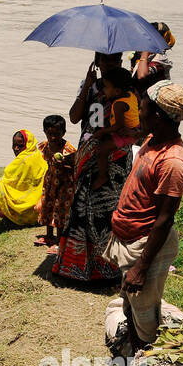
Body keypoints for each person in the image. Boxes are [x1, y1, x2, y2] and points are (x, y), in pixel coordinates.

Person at [102, 81, 183, 353]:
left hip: (147, 245)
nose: (138, 114)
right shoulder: (152, 141)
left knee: (146, 321)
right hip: (130, 238)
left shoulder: (173, 162)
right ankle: (134, 363)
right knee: (131, 307)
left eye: (141, 109)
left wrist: (142, 267)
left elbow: (165, 219)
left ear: (157, 115)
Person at [55, 53, 130, 283]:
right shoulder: (90, 87)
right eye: (105, 60)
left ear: (121, 61)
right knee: (81, 207)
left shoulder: (128, 88)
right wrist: (87, 85)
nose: (110, 64)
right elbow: (74, 117)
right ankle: (75, 265)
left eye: (115, 59)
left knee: (109, 209)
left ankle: (110, 266)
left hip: (116, 156)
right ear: (97, 61)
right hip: (88, 153)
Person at [91, 67, 141, 189]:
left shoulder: (119, 104)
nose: (103, 89)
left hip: (125, 134)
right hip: (134, 129)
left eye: (106, 87)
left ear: (117, 91)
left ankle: (102, 176)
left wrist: (102, 132)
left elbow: (118, 126)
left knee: (101, 151)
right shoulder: (131, 94)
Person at [0, 129, 47, 225]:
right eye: (14, 145)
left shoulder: (22, 160)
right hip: (40, 210)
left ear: (27, 144)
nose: (16, 148)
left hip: (28, 210)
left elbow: (7, 181)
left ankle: (7, 215)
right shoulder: (39, 155)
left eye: (20, 145)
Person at [35, 115, 75, 250]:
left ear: (63, 133)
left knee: (60, 211)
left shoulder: (68, 149)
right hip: (50, 181)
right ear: (45, 132)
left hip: (65, 185)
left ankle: (59, 241)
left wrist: (64, 164)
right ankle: (48, 235)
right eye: (49, 134)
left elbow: (75, 167)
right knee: (47, 206)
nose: (53, 137)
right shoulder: (45, 146)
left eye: (57, 134)